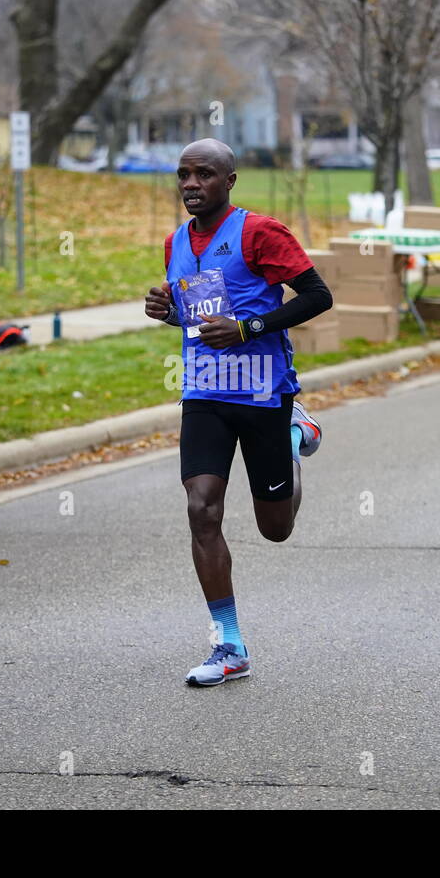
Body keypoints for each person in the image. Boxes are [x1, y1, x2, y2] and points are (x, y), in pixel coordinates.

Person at [143, 138, 332, 688]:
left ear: (230, 181)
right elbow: (201, 313)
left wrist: (250, 329)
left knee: (276, 529)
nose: (191, 184)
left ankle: (296, 436)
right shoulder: (175, 242)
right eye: (183, 175)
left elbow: (318, 296)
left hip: (263, 393)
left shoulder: (259, 233)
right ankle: (228, 643)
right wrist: (169, 312)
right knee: (202, 509)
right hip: (204, 393)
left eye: (204, 174)